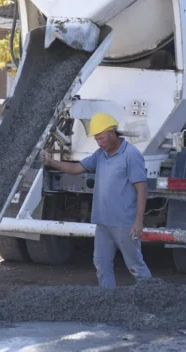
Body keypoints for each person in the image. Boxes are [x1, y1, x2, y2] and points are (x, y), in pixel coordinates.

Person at [41, 112, 151, 288]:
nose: (99, 143)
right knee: (101, 264)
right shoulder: (100, 154)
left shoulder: (131, 155)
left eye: (101, 138)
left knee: (135, 265)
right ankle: (108, 301)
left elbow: (142, 188)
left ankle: (151, 298)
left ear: (112, 133)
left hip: (124, 223)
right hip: (103, 222)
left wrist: (139, 220)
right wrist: (51, 162)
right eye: (97, 140)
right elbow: (77, 168)